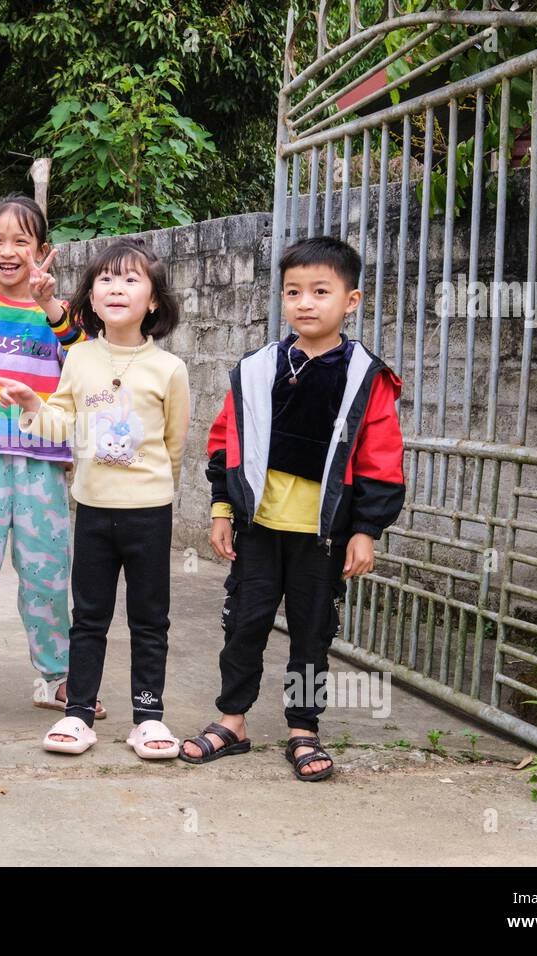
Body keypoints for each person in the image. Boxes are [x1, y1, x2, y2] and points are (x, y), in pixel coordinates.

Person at [180, 235, 405, 782]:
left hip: (321, 537)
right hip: (259, 530)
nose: (305, 302)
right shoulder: (258, 369)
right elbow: (224, 442)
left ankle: (304, 729)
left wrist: (366, 529)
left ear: (350, 301)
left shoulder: (363, 377)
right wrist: (220, 509)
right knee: (244, 626)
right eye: (293, 292)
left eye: (320, 291)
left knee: (311, 633)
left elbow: (381, 458)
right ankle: (232, 721)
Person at [0, 237, 190, 759]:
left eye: (130, 279)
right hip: (94, 511)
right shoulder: (78, 359)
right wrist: (35, 404)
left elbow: (174, 445)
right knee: (90, 616)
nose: (116, 287)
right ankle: (78, 713)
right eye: (106, 279)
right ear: (91, 300)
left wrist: (151, 487)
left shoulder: (169, 369)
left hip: (148, 513)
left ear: (153, 301)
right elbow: (63, 423)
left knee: (150, 619)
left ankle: (149, 717)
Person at [0, 195, 106, 717]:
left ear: (42, 251)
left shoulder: (61, 317)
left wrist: (52, 306)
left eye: (21, 242)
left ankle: (57, 676)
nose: (8, 251)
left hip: (41, 465)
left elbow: (84, 359)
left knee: (48, 573)